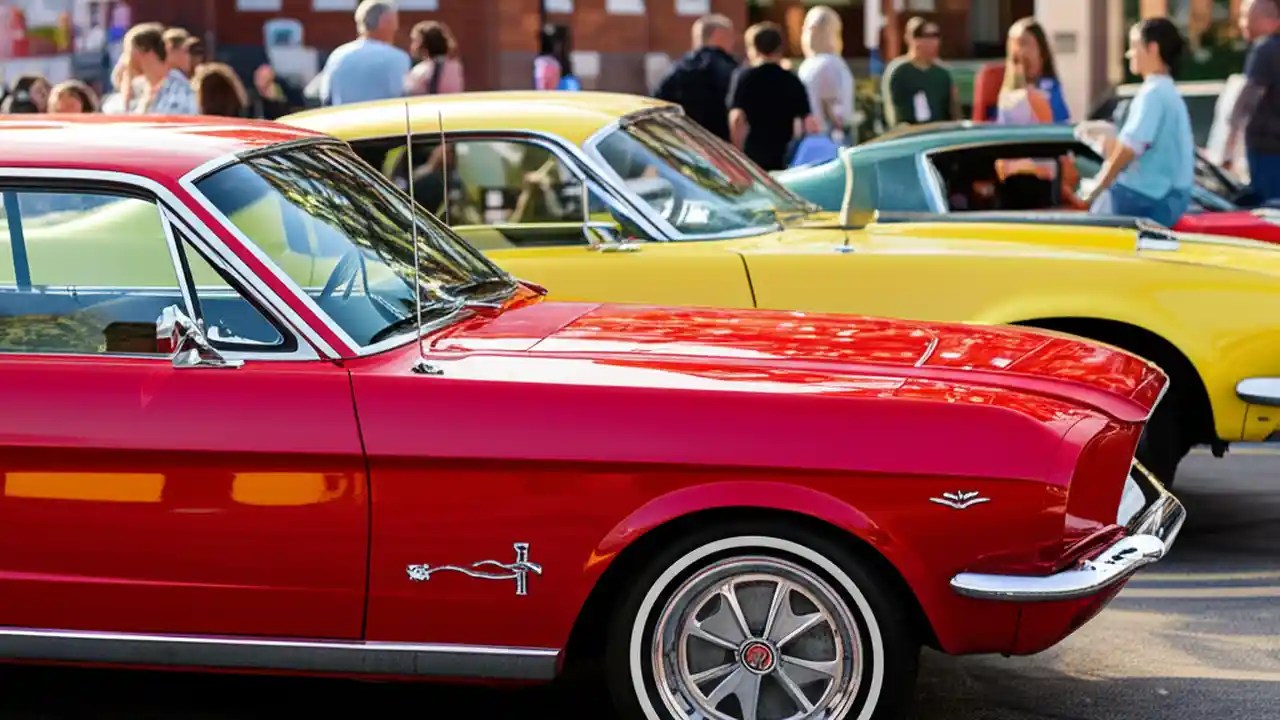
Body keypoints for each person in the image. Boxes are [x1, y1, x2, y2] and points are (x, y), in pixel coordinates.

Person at [1080, 18, 1194, 227]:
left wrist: (1098, 186)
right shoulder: (1167, 91)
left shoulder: (1153, 93)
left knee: (1093, 237)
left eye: (1133, 46)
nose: (1128, 54)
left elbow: (1130, 148)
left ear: (1152, 48)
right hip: (1167, 195)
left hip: (1148, 195)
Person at [728, 22, 818, 171]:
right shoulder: (791, 80)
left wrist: (737, 151)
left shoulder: (744, 77)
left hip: (753, 154)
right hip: (783, 155)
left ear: (753, 48)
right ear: (779, 48)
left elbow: (736, 118)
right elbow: (809, 123)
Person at [653, 13, 739, 141]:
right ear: (718, 35)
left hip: (684, 143)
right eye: (730, 35)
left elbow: (657, 102)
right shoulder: (727, 68)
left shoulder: (677, 68)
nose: (733, 41)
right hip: (719, 146)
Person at [1225, 0, 1280, 200]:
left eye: (1249, 17)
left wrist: (1227, 151)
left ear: (1272, 20)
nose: (1243, 23)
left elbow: (1246, 101)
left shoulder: (1265, 49)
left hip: (1268, 152)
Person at [316, 0, 411, 106]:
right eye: (394, 22)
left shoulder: (338, 55)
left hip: (342, 120)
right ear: (385, 22)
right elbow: (404, 98)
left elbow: (325, 96)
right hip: (384, 121)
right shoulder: (398, 58)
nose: (396, 28)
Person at [881, 17, 958, 126]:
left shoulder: (943, 73)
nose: (931, 42)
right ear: (909, 39)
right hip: (910, 136)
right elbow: (893, 113)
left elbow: (953, 113)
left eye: (934, 37)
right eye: (922, 36)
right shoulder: (899, 71)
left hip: (940, 135)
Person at [798, 6, 855, 145]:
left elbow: (831, 104)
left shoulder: (821, 64)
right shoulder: (828, 64)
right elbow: (832, 105)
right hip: (826, 138)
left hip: (821, 138)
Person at [121, 22, 197, 114]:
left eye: (128, 52)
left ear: (142, 51)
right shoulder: (141, 90)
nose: (125, 60)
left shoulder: (179, 91)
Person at [1005, 17, 1069, 122]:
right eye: (1013, 45)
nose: (1018, 51)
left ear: (1042, 52)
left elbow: (1058, 122)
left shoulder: (1050, 89)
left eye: (1023, 43)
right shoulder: (998, 90)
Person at [405, 21, 464, 95]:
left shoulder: (421, 71)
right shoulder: (456, 67)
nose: (412, 45)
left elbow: (407, 92)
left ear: (422, 43)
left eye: (414, 40)